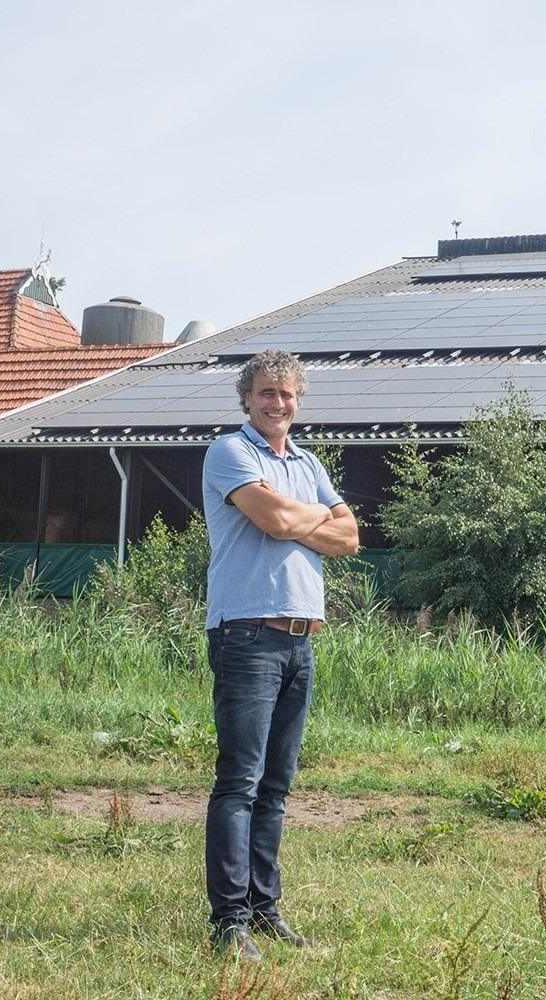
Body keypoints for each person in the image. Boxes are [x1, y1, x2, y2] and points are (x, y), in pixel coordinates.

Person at [200, 350, 359, 960]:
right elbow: (270, 519)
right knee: (239, 782)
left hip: (300, 639)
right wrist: (307, 517)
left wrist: (297, 518)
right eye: (266, 392)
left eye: (287, 393)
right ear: (247, 399)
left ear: (299, 400)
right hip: (247, 636)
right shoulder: (229, 452)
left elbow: (349, 538)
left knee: (276, 785)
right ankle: (230, 922)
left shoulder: (308, 461)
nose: (278, 403)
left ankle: (265, 910)